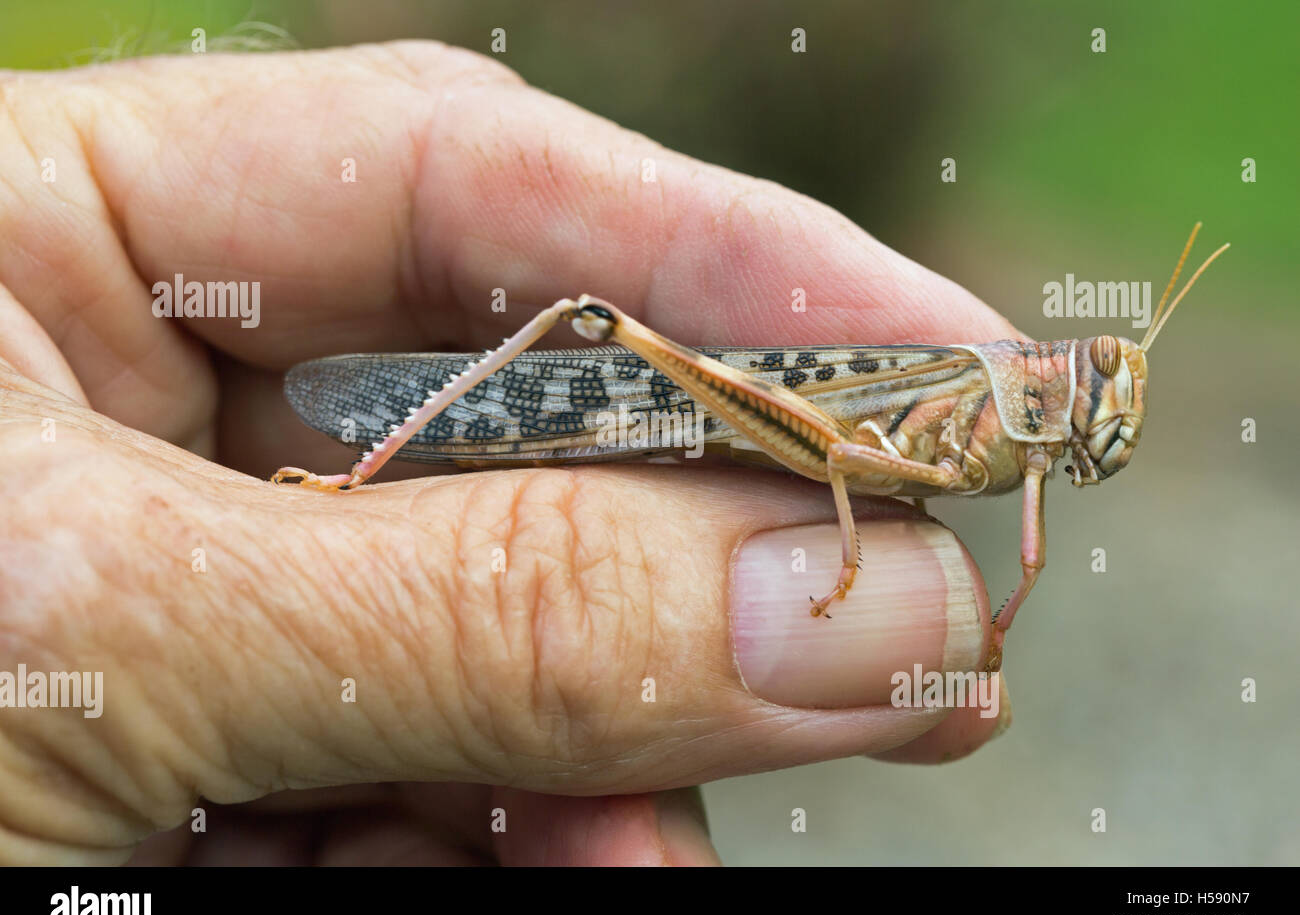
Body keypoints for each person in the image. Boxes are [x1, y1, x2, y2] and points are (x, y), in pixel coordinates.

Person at [0, 41, 1013, 865]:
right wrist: (845, 569)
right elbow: (840, 458)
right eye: (1098, 382)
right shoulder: (970, 391)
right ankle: (364, 467)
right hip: (724, 406)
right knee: (599, 322)